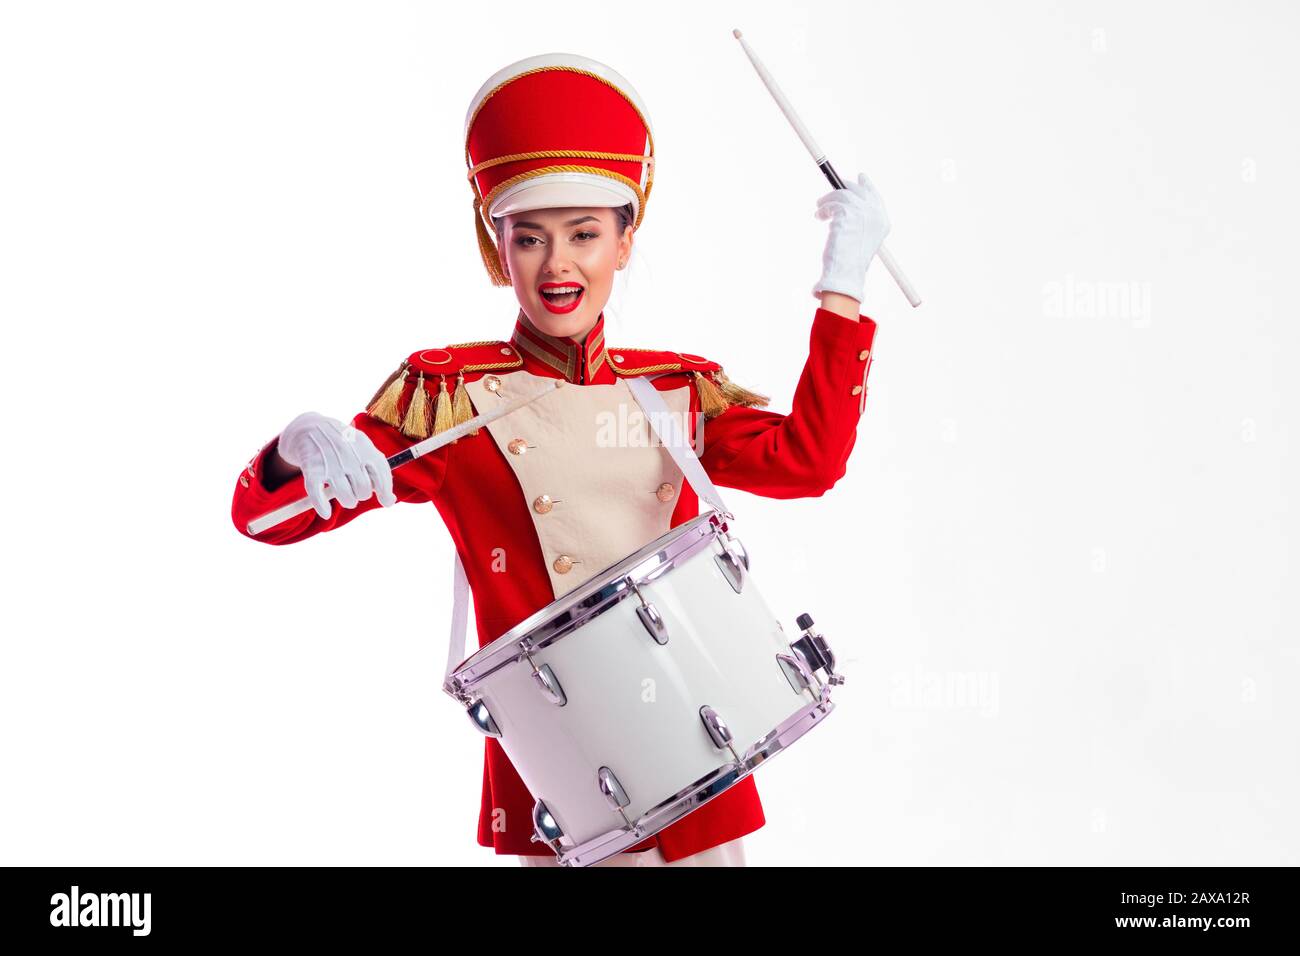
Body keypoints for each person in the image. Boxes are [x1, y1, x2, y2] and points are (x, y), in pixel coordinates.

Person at [230, 52, 888, 867]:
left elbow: (809, 462)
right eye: (529, 238)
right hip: (565, 767)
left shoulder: (674, 389)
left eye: (585, 235)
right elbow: (268, 520)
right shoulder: (449, 398)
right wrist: (300, 447)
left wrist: (843, 285)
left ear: (624, 240)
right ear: (496, 245)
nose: (558, 266)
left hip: (696, 728)